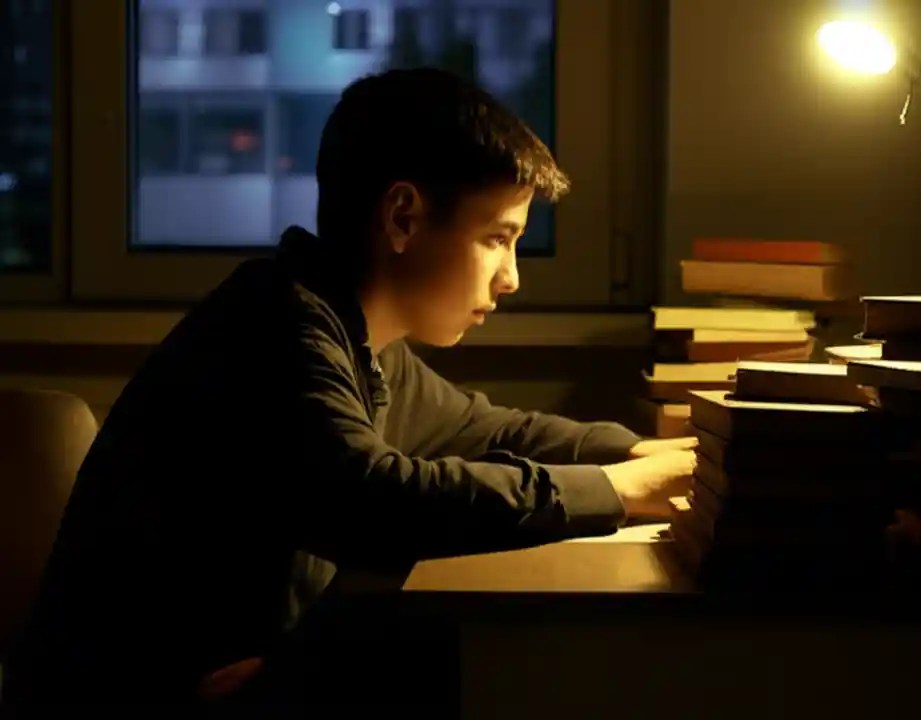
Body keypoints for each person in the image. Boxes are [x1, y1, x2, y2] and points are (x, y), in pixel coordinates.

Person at [4, 68, 696, 706]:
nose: (511, 277)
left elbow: (490, 431)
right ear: (402, 218)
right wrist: (614, 491)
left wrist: (643, 454)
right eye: (496, 238)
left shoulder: (358, 339)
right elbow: (369, 498)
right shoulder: (275, 325)